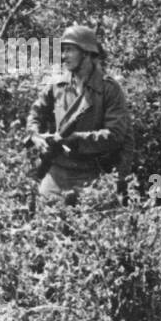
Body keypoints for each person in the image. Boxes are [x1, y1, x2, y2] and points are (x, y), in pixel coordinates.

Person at [25, 25, 131, 205]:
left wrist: (76, 139)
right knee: (45, 223)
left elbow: (116, 135)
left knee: (95, 225)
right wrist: (36, 135)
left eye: (69, 50)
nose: (64, 56)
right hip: (57, 170)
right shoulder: (56, 84)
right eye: (62, 51)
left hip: (92, 172)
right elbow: (36, 113)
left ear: (87, 53)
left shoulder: (109, 90)